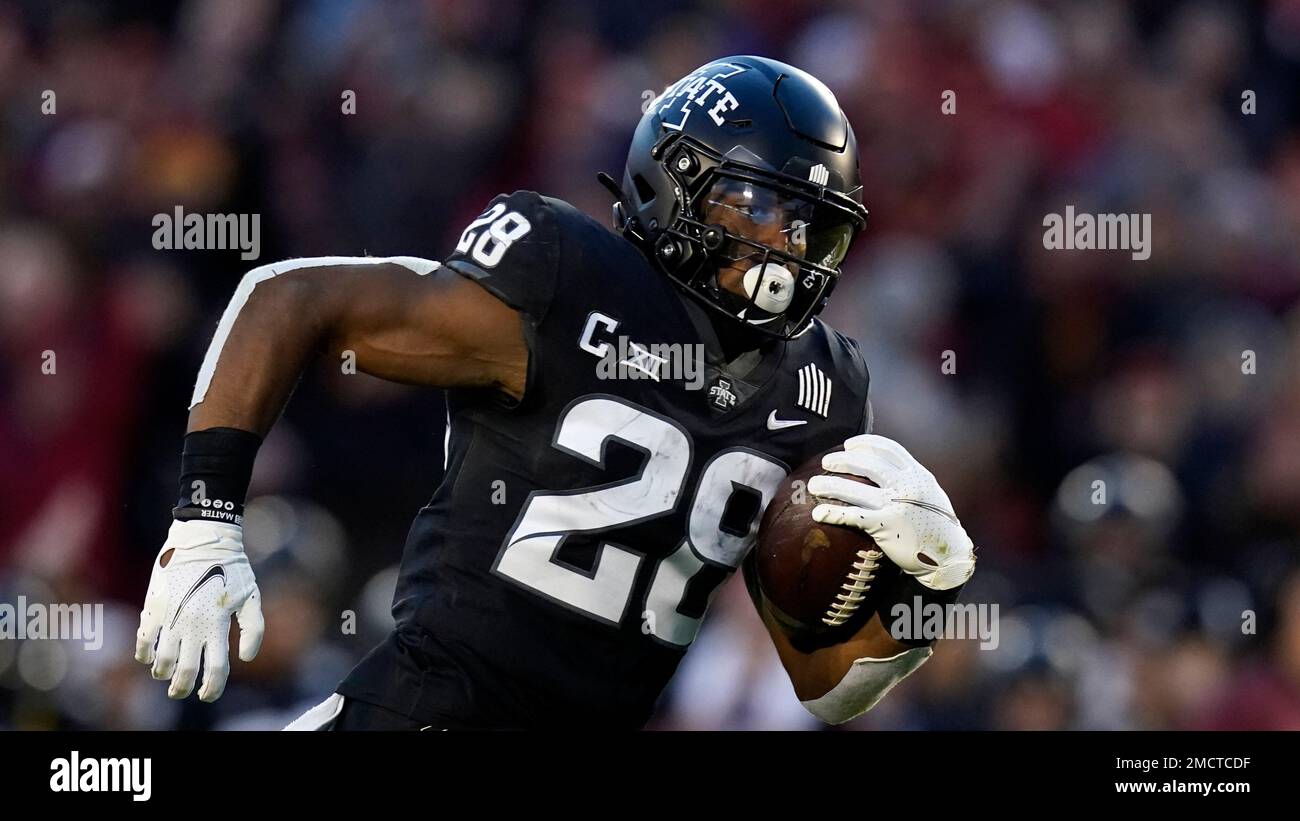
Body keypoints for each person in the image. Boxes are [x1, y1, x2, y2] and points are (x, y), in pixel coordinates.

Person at [134, 56, 975, 730]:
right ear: (672, 182)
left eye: (807, 227)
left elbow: (825, 685)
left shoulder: (825, 385)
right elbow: (290, 296)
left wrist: (928, 597)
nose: (781, 255)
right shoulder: (570, 275)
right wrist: (205, 517)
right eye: (753, 211)